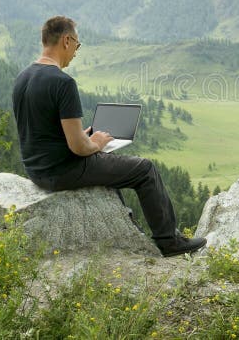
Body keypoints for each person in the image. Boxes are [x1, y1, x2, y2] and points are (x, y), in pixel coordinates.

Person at [11, 15, 206, 257]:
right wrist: (96, 143)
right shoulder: (63, 83)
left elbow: (42, 132)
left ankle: (133, 229)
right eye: (77, 46)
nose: (75, 52)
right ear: (66, 40)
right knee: (144, 169)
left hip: (36, 170)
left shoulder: (23, 77)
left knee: (113, 170)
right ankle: (170, 242)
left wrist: (82, 139)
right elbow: (79, 148)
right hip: (63, 171)